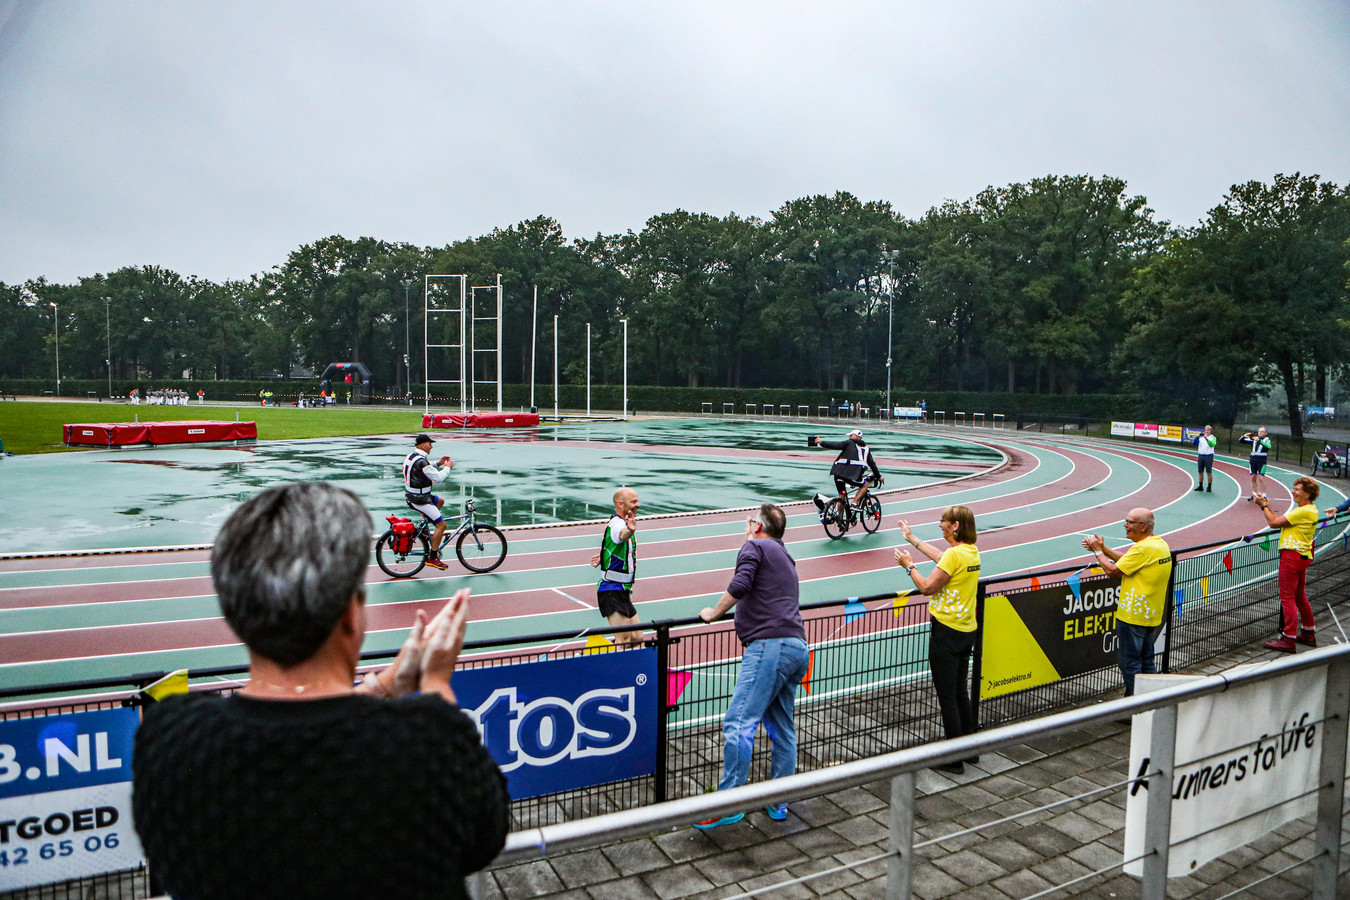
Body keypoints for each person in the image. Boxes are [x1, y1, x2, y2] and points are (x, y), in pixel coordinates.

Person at [132, 482, 507, 900]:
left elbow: (295, 737)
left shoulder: (169, 738)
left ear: (236, 612)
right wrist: (435, 684)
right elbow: (485, 837)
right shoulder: (426, 740)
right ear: (350, 615)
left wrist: (385, 686)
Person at [694, 504, 809, 827]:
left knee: (738, 723)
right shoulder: (785, 555)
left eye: (748, 521)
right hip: (796, 646)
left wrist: (714, 613)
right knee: (782, 727)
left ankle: (730, 802)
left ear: (758, 525)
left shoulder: (754, 546)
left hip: (768, 648)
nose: (746, 526)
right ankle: (779, 802)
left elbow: (741, 583)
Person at [896, 507, 981, 774]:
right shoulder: (970, 552)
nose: (940, 525)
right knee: (960, 692)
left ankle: (953, 759)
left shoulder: (955, 555)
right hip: (967, 629)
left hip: (946, 631)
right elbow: (942, 557)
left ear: (955, 525)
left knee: (948, 696)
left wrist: (909, 566)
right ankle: (970, 750)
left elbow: (926, 587)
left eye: (943, 522)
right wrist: (912, 538)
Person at [1081, 508, 1172, 697]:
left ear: (1143, 526)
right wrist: (1104, 549)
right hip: (1151, 615)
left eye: (1129, 522)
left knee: (1129, 662)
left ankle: (1138, 705)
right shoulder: (1159, 544)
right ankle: (1150, 699)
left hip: (1133, 617)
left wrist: (1098, 552)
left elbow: (1113, 571)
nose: (1125, 525)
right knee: (1147, 661)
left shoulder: (1143, 548)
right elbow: (1128, 561)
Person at [1257, 476, 1320, 652]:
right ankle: (1308, 632)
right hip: (1303, 556)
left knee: (1287, 597)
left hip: (1292, 556)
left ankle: (1288, 638)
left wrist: (1263, 505)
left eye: (1297, 489)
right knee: (1299, 595)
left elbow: (1273, 523)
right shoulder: (1311, 510)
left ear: (1307, 493)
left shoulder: (1301, 511)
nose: (1293, 491)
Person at [590, 487, 644, 647]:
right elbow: (621, 535)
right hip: (611, 589)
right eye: (633, 501)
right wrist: (630, 530)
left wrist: (604, 557)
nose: (638, 505)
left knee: (637, 638)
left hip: (623, 590)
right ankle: (614, 669)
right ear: (620, 504)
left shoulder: (622, 522)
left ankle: (606, 653)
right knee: (624, 640)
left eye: (637, 501)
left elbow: (615, 546)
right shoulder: (617, 524)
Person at [403, 433, 455, 570]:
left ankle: (425, 530)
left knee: (440, 501)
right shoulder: (422, 461)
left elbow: (424, 466)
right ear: (423, 444)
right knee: (441, 526)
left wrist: (438, 463)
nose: (431, 446)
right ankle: (432, 557)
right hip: (420, 500)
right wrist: (447, 467)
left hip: (415, 496)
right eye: (430, 444)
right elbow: (438, 478)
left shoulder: (412, 456)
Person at [812, 428, 883, 512]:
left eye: (850, 435)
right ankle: (854, 503)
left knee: (842, 495)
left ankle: (840, 519)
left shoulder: (849, 443)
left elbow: (835, 445)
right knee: (864, 485)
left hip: (838, 474)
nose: (849, 437)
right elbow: (872, 464)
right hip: (852, 476)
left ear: (855, 436)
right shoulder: (866, 449)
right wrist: (878, 476)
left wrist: (821, 442)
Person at [1240, 426, 1272, 501]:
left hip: (1262, 461)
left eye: (1262, 431)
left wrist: (1260, 441)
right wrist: (1244, 436)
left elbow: (1268, 447)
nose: (1260, 433)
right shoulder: (1253, 439)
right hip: (1253, 460)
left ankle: (1264, 495)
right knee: (1253, 476)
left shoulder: (1267, 440)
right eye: (1259, 431)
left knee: (1261, 477)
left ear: (1265, 433)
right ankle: (1254, 494)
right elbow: (1241, 441)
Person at [1194, 425, 1216, 492]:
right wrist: (1196, 437)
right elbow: (1195, 443)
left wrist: (1206, 438)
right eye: (1206, 430)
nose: (1207, 431)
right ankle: (1200, 485)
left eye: (1208, 430)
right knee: (1200, 471)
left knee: (1209, 472)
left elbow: (1212, 444)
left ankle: (1209, 486)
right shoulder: (1201, 438)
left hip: (1208, 456)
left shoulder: (1212, 438)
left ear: (1210, 431)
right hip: (1201, 456)